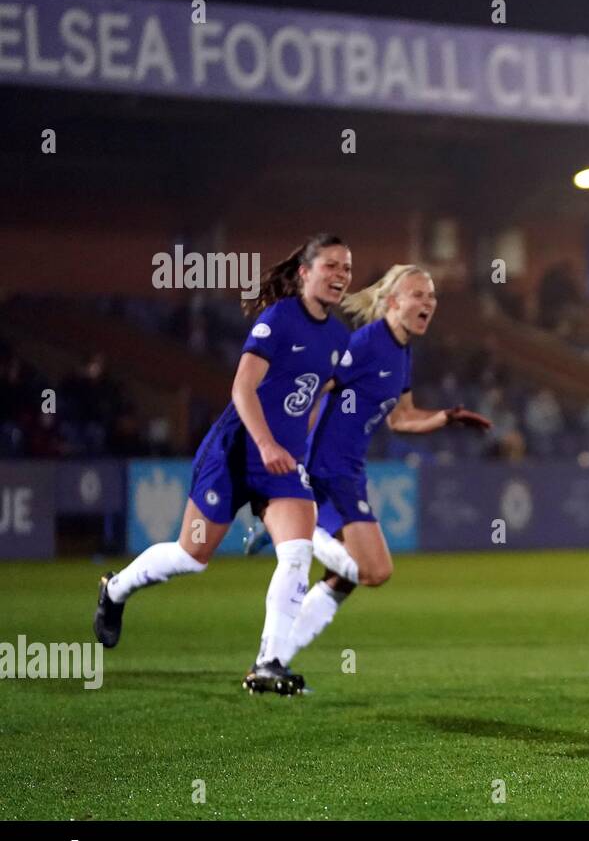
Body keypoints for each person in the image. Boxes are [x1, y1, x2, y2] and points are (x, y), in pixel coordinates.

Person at [94, 234, 353, 695]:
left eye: (346, 269)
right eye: (331, 265)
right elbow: (242, 388)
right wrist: (266, 443)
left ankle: (268, 664)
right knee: (192, 557)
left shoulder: (338, 337)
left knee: (296, 554)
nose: (340, 275)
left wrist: (299, 451)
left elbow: (315, 399)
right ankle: (115, 590)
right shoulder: (279, 319)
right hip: (235, 453)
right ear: (304, 273)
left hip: (281, 465)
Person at [264, 265, 491, 672]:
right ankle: (299, 530)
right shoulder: (367, 343)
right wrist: (283, 445)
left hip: (350, 471)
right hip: (327, 471)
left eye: (432, 296)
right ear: (392, 302)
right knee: (376, 571)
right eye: (418, 294)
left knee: (346, 579)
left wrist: (445, 418)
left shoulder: (401, 352)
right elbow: (316, 386)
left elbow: (401, 419)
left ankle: (275, 660)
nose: (429, 302)